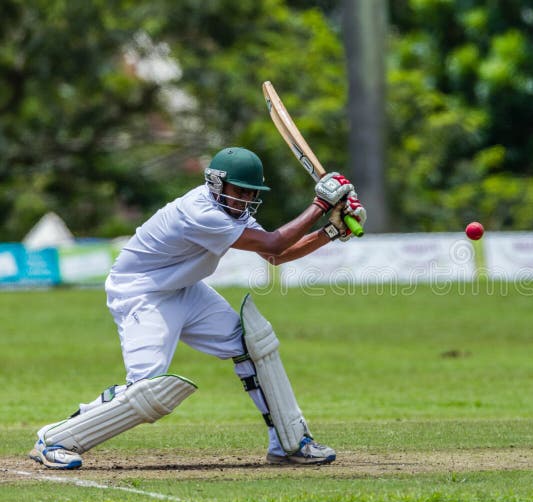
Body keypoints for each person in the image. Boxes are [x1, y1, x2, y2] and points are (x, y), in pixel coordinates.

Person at [28, 146, 365, 470]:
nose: (245, 199)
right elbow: (275, 242)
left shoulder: (234, 212)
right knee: (148, 391)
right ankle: (54, 439)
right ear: (216, 183)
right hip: (142, 292)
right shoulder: (200, 212)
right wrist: (321, 203)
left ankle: (290, 443)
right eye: (240, 190)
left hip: (186, 290)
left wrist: (332, 230)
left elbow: (276, 256)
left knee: (252, 344)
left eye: (251, 193)